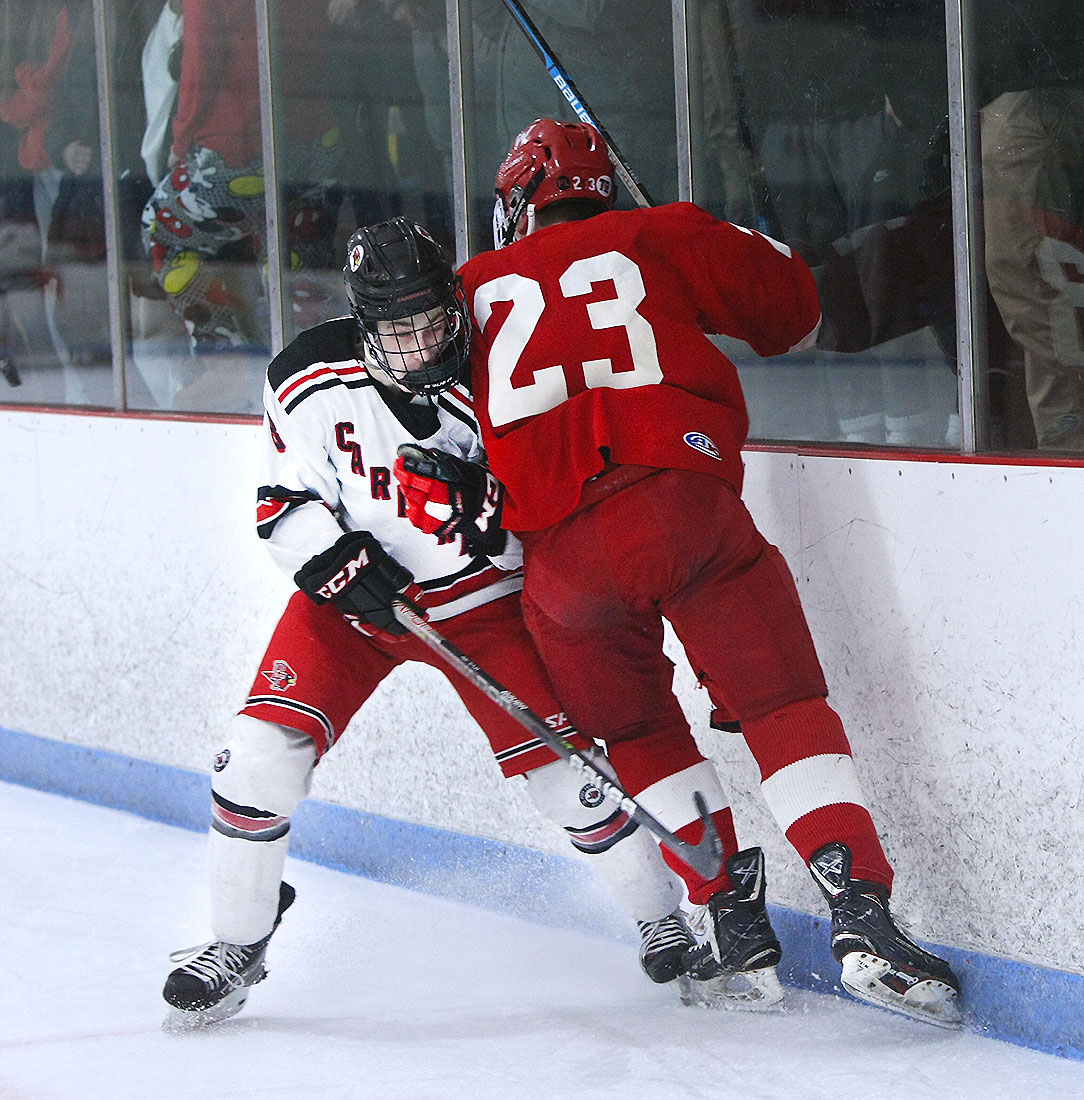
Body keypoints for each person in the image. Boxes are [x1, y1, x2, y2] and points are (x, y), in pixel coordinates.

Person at [394, 119, 962, 1028]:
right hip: (683, 506)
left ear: (518, 199)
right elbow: (795, 311)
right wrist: (696, 245)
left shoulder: (470, 287)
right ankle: (861, 916)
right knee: (781, 708)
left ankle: (733, 927)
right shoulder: (658, 232)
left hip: (562, 562)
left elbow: (439, 417)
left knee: (641, 730)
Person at [161, 216, 752, 1029]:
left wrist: (488, 508)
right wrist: (332, 559)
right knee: (256, 761)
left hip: (483, 603)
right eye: (396, 327)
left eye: (431, 320)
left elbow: (559, 500)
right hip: (353, 607)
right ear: (362, 320)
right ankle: (237, 942)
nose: (419, 342)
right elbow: (282, 504)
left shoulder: (505, 367)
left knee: (570, 773)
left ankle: (661, 919)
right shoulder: (303, 375)